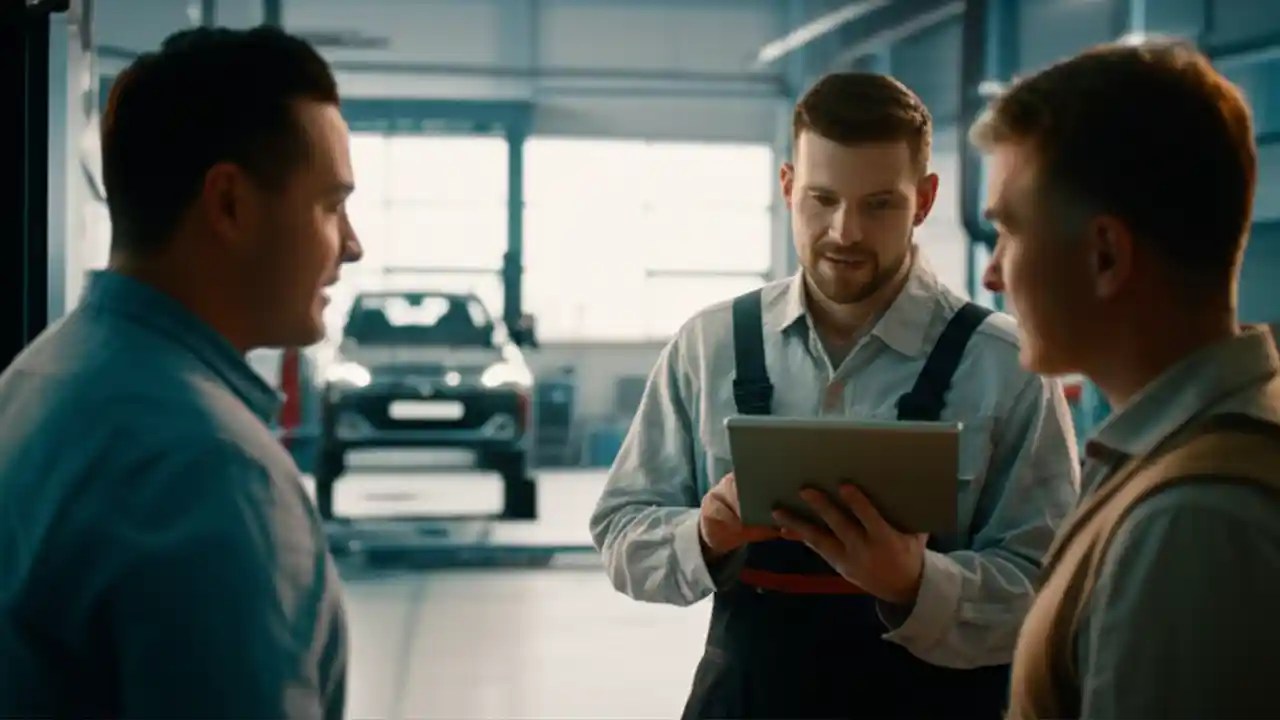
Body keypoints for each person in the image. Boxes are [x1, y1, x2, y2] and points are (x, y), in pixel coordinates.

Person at [590, 72, 1080, 720]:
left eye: (879, 204)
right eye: (822, 199)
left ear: (924, 200)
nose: (845, 232)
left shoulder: (1007, 367)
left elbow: (1052, 597)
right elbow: (621, 531)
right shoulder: (710, 347)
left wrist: (916, 584)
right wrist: (704, 536)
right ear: (789, 186)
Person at [0, 26, 362, 719]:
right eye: (330, 204)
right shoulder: (206, 467)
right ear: (229, 204)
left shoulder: (42, 376)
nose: (352, 245)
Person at [974, 39, 1280, 719]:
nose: (993, 273)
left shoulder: (1192, 524)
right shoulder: (1193, 455)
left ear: (1106, 254)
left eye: (1009, 232)